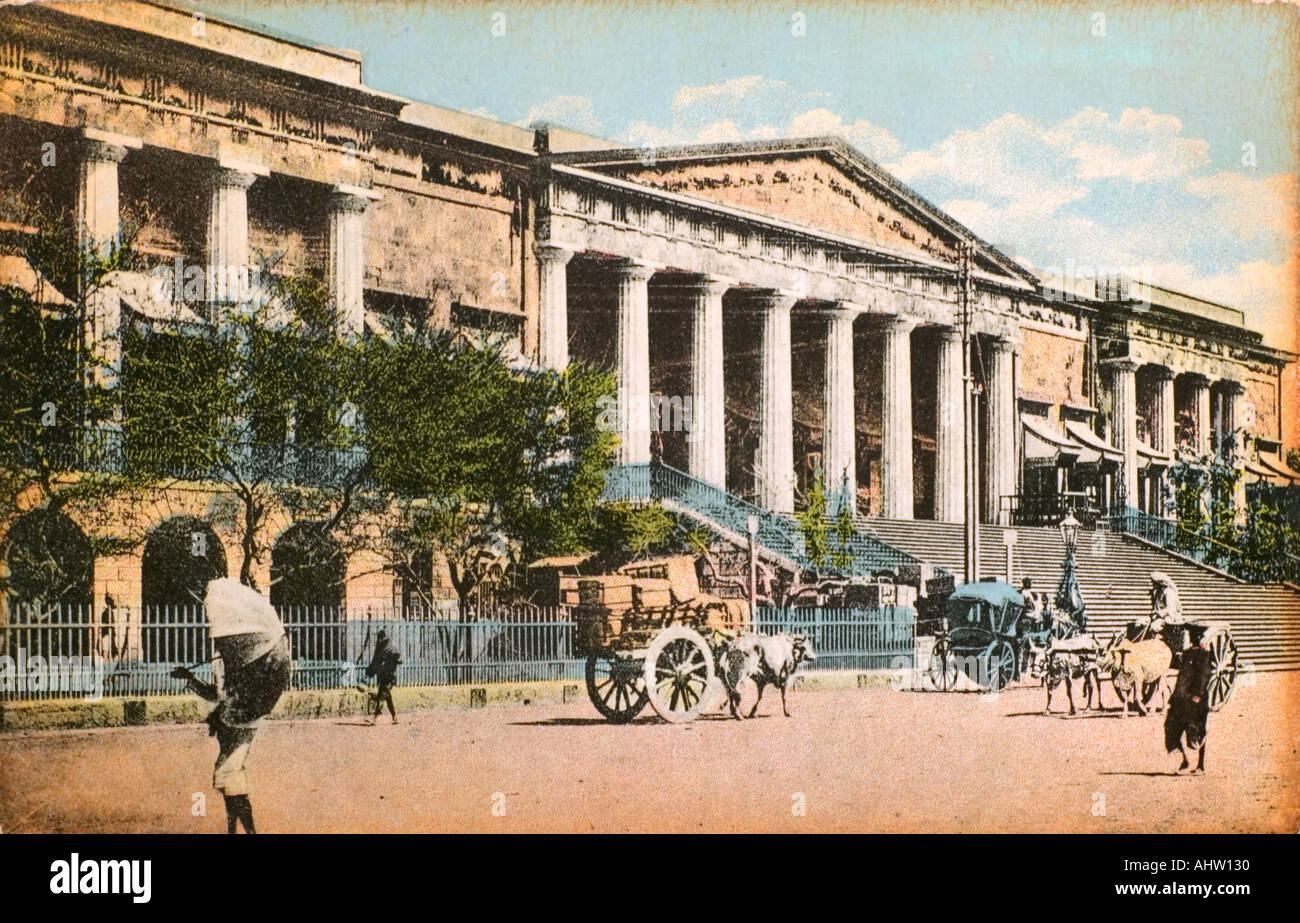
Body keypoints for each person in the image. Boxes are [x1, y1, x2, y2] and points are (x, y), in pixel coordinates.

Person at [172, 579, 290, 834]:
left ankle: (248, 832)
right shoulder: (227, 662)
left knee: (227, 774)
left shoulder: (239, 665)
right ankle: (234, 830)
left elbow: (224, 694)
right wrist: (189, 679)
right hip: (235, 720)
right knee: (231, 777)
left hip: (242, 720)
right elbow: (216, 694)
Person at [1164, 626, 1212, 774]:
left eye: (1195, 637)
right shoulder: (1187, 654)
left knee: (1196, 730)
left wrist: (1197, 694)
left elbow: (1204, 676)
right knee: (1172, 727)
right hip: (1181, 697)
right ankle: (1185, 761)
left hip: (1195, 698)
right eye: (1192, 637)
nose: (1193, 639)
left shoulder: (1204, 655)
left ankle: (1200, 766)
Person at [366, 629, 401, 725]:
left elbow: (398, 658)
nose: (380, 641)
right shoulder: (379, 649)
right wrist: (370, 670)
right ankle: (394, 717)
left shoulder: (391, 648)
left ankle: (375, 718)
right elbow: (375, 661)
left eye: (381, 640)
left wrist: (391, 662)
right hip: (382, 676)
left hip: (389, 677)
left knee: (381, 696)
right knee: (387, 696)